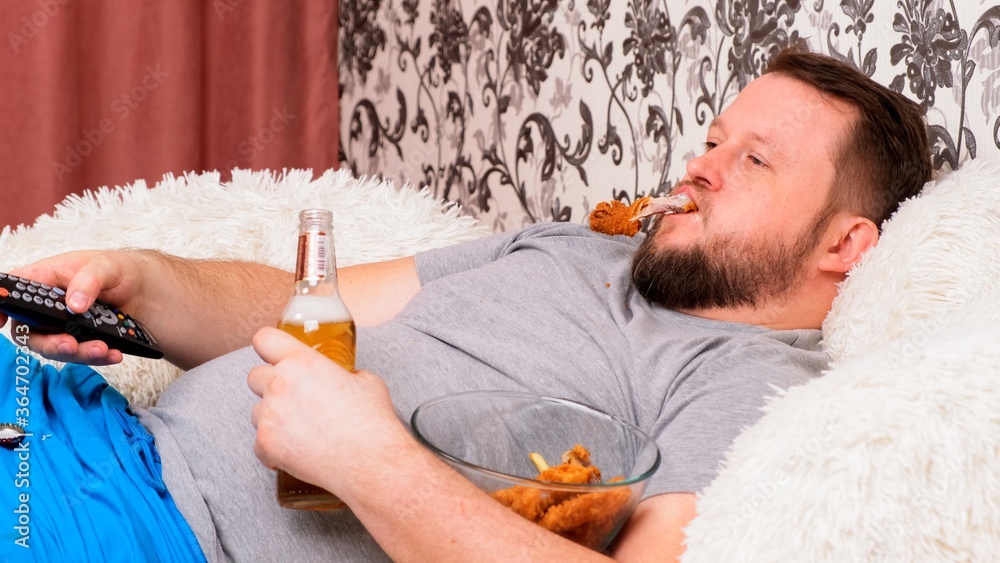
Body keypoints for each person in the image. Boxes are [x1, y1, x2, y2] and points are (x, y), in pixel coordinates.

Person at [0, 46, 930, 562]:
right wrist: (145, 278)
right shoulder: (575, 245)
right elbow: (307, 302)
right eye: (714, 141)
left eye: (753, 161)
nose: (699, 167)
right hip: (79, 421)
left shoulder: (748, 382)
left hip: (138, 529)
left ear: (845, 244)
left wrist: (367, 462)